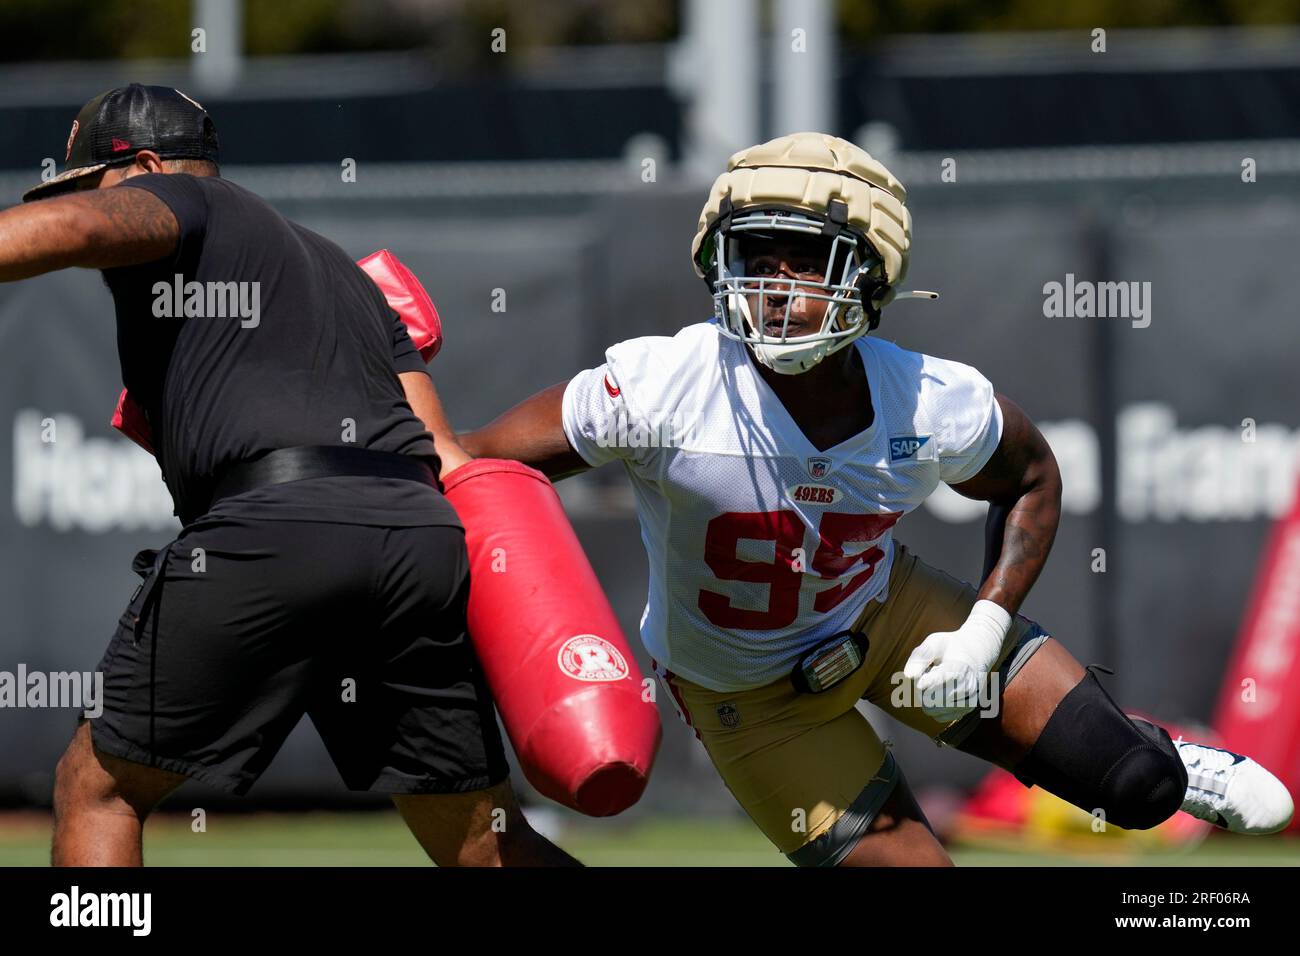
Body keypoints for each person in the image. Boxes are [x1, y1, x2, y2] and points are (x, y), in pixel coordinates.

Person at [460, 131, 1294, 866]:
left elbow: (1033, 477)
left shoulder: (929, 401)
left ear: (868, 274)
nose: (774, 285)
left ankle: (1168, 757)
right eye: (756, 256)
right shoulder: (663, 384)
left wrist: (984, 630)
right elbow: (483, 472)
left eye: (802, 257)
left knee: (1137, 785)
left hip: (889, 617)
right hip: (749, 699)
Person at [1, 84, 577, 866]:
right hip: (413, 539)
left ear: (141, 168)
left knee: (96, 787)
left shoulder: (179, 202)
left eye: (90, 179)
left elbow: (73, 226)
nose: (88, 203)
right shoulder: (345, 273)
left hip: (279, 531)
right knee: (480, 842)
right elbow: (444, 456)